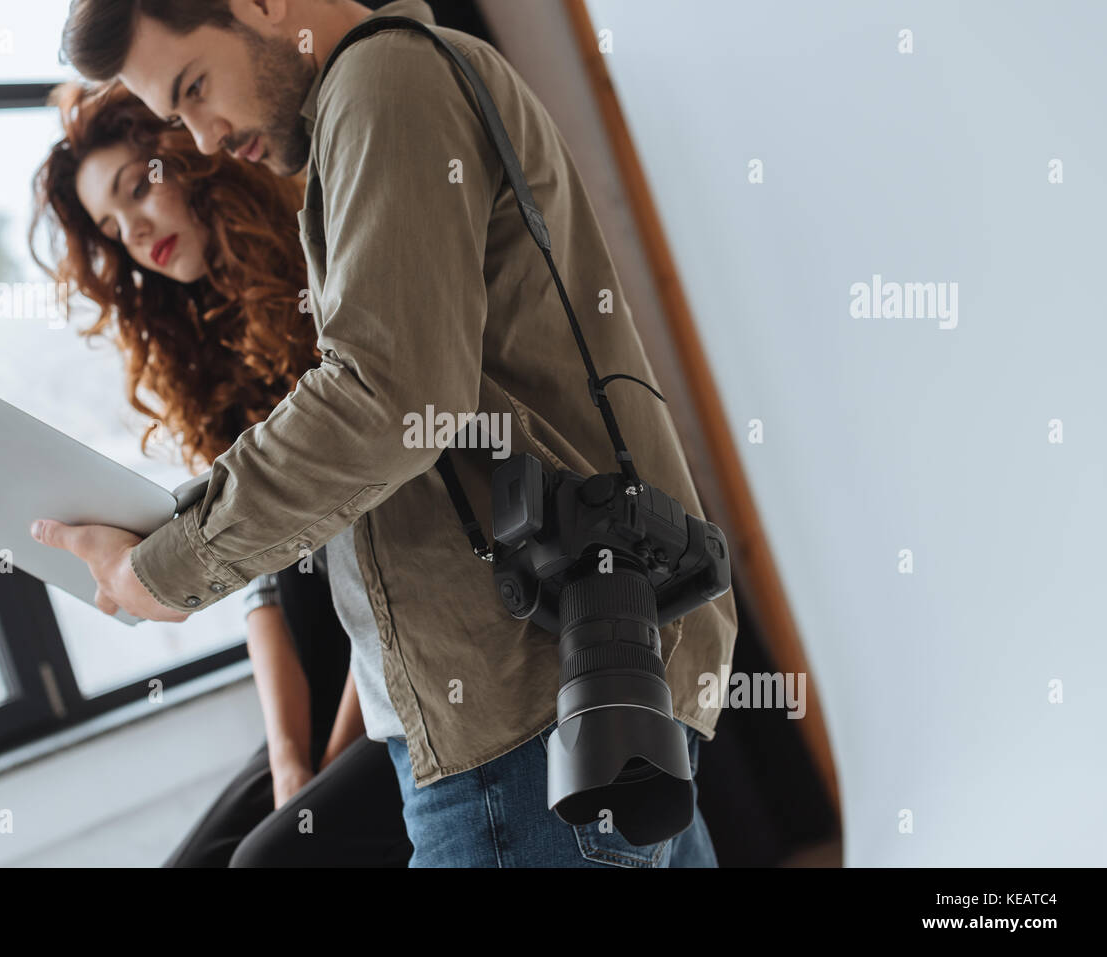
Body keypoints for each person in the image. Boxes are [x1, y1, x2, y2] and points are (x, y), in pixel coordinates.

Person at [37, 0, 740, 867]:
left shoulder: (383, 83)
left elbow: (386, 401)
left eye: (196, 88)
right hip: (565, 680)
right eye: (178, 117)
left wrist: (163, 567)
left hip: (515, 708)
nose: (208, 138)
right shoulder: (385, 89)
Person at [29, 81, 411, 866]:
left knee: (270, 860)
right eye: (110, 226)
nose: (133, 230)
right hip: (323, 676)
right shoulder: (210, 349)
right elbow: (268, 585)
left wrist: (332, 757)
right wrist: (287, 757)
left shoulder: (329, 283)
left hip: (409, 651)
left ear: (193, 161)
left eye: (139, 188)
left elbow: (392, 542)